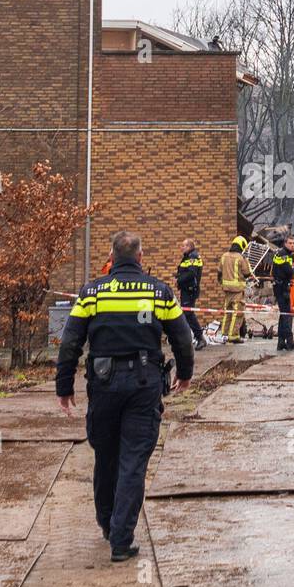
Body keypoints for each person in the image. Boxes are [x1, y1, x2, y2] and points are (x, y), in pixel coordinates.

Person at [56, 230, 193, 562]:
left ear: (112, 256)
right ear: (141, 257)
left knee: (105, 455)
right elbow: (182, 337)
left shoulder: (92, 292)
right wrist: (185, 374)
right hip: (143, 386)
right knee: (133, 460)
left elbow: (70, 341)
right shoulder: (159, 291)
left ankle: (108, 525)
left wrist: (64, 387)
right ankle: (121, 538)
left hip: (102, 385)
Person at [271, 235, 294, 351]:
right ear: (285, 243)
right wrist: (293, 269)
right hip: (282, 287)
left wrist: (293, 269)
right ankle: (290, 341)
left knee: (283, 314)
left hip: (282, 286)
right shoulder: (283, 254)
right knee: (287, 315)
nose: (292, 245)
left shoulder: (288, 254)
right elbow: (290, 271)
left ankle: (281, 342)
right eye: (290, 243)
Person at [218, 235, 251, 344]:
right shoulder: (241, 258)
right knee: (238, 313)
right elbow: (247, 273)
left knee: (228, 312)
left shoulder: (224, 256)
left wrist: (222, 284)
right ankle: (233, 336)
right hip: (237, 291)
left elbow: (219, 272)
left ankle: (224, 334)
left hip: (227, 290)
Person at [175, 238, 206, 350]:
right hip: (187, 289)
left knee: (188, 314)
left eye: (183, 246)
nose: (181, 248)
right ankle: (195, 337)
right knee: (187, 313)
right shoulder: (189, 256)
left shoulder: (193, 257)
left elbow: (191, 273)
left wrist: (179, 279)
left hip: (190, 290)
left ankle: (200, 338)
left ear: (189, 246)